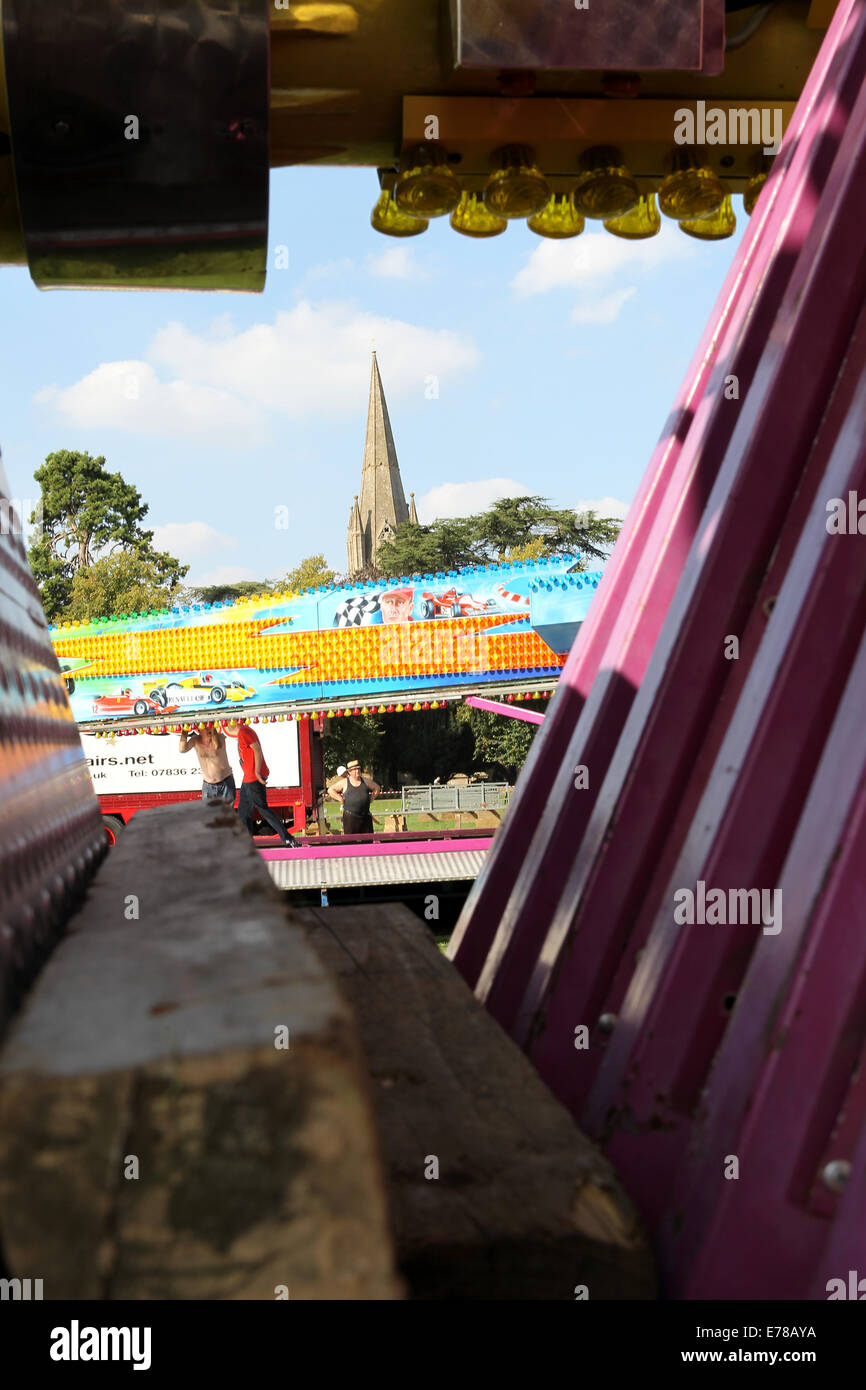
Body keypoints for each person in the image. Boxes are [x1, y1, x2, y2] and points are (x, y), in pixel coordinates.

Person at [222, 720, 297, 846]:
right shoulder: (244, 731)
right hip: (248, 777)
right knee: (243, 812)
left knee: (263, 809)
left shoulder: (244, 732)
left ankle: (288, 838)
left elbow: (256, 749)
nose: (227, 726)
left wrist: (257, 772)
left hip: (253, 777)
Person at [179, 725, 236, 804]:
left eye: (210, 726)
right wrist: (185, 730)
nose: (208, 729)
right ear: (199, 730)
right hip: (208, 785)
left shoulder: (220, 737)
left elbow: (217, 746)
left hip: (225, 782)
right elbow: (182, 749)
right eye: (206, 727)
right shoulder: (195, 740)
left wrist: (213, 729)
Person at [328, 758, 380, 834]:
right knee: (350, 843)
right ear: (350, 772)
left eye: (358, 769)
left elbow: (377, 788)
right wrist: (340, 799)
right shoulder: (344, 782)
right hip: (350, 818)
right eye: (355, 770)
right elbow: (330, 790)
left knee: (368, 842)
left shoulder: (365, 781)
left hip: (365, 817)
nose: (357, 771)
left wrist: (371, 799)